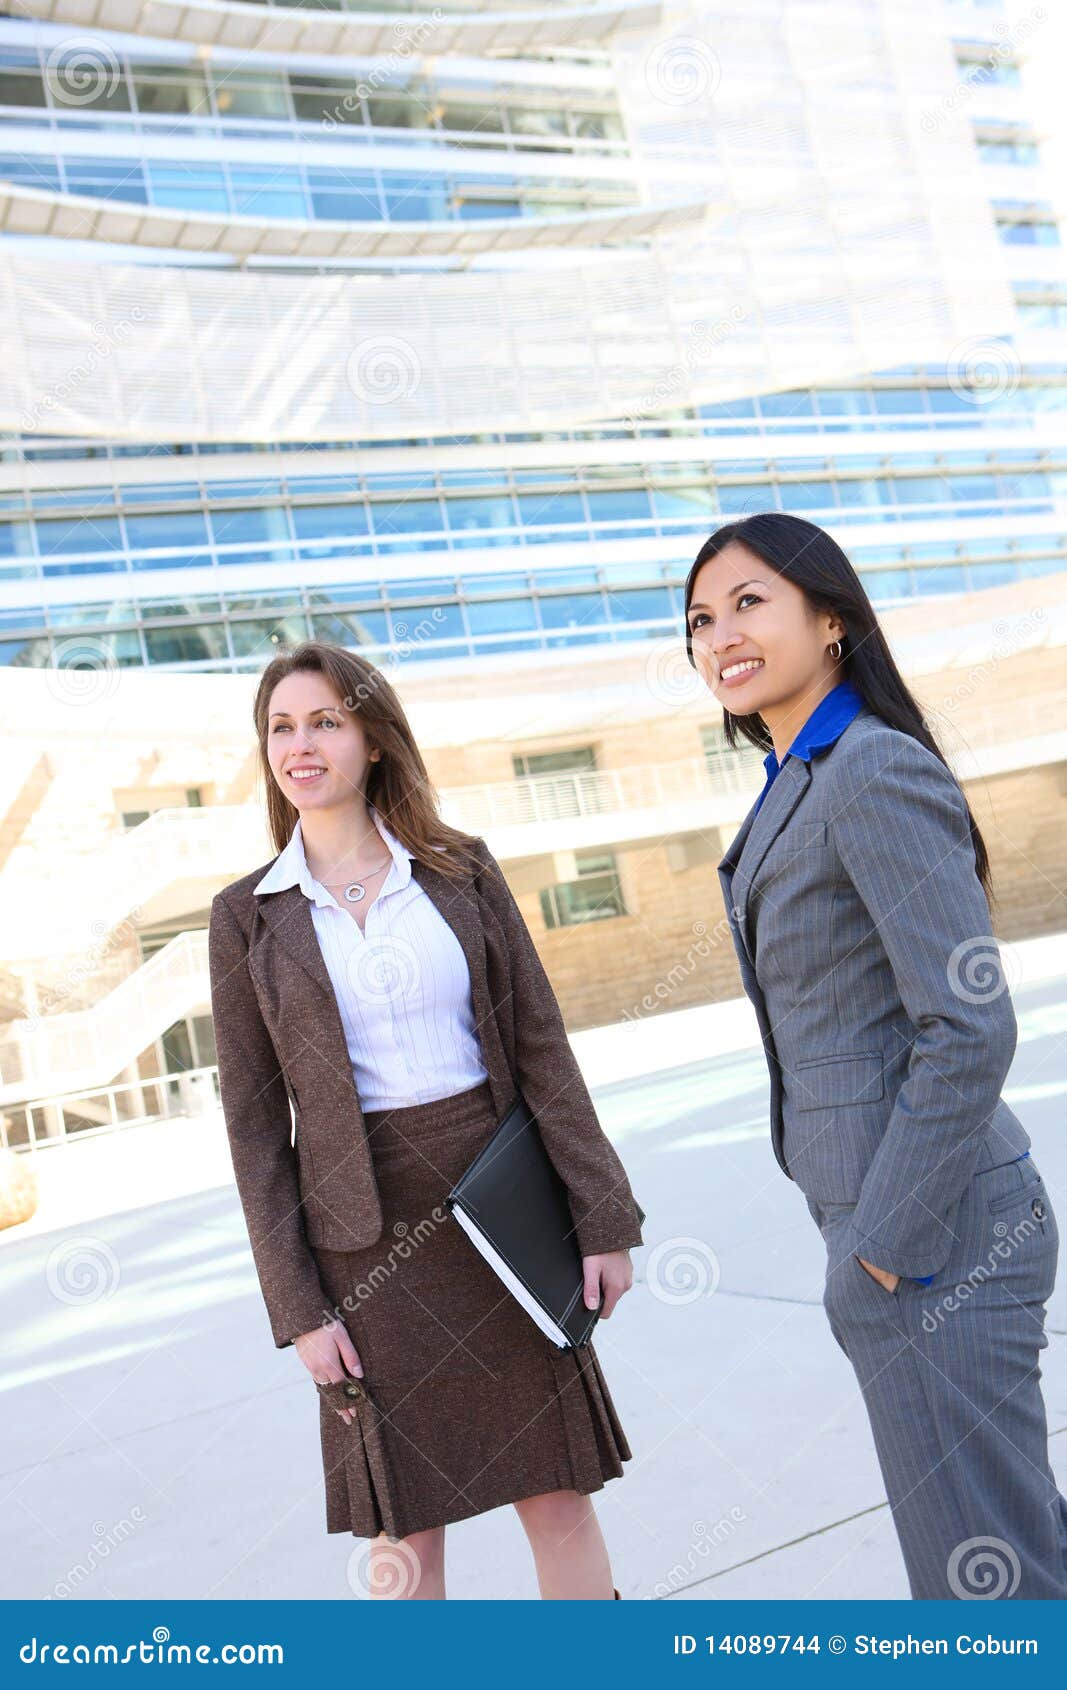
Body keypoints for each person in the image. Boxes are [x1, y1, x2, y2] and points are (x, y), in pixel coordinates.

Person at [207, 641, 645, 1599]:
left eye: (325, 721)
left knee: (560, 1493)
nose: (299, 745)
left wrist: (601, 1217)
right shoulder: (246, 916)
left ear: (373, 739)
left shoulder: (459, 869)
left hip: (503, 1219)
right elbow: (253, 1130)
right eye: (281, 727)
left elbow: (541, 1046)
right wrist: (298, 1310)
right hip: (363, 1254)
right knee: (404, 1531)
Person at [684, 511, 1067, 1600]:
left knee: (980, 1586)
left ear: (832, 619)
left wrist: (883, 1247)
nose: (719, 636)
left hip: (938, 1235)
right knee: (1003, 1551)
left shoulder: (867, 769)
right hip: (898, 1235)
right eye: (698, 620)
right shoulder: (798, 777)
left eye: (748, 602)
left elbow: (969, 1023)